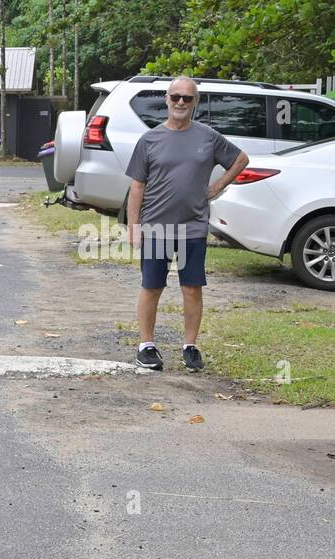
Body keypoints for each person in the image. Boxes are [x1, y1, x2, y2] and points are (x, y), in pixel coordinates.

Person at [125, 77, 249, 371]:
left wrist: (215, 187)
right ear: (167, 100)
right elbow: (137, 187)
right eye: (176, 97)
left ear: (195, 103)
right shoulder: (150, 140)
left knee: (192, 288)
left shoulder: (208, 137)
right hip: (156, 227)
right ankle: (146, 345)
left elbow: (240, 159)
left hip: (193, 227)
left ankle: (190, 346)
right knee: (152, 285)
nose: (181, 102)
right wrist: (133, 226)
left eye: (188, 98)